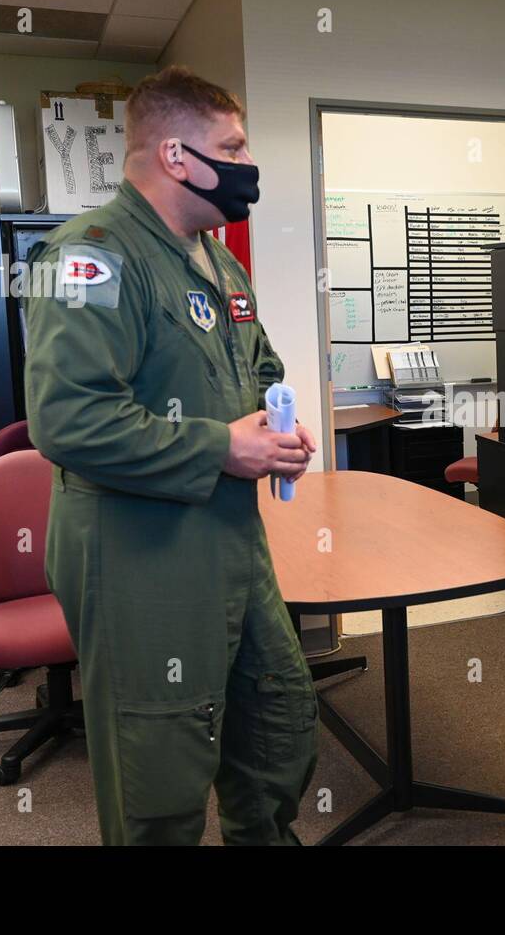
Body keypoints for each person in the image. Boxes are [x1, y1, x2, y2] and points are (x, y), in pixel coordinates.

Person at [25, 66, 319, 845]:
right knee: (159, 771)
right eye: (234, 145)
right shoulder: (90, 257)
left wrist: (275, 426)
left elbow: (258, 369)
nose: (248, 162)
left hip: (229, 538)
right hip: (137, 550)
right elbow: (69, 418)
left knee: (277, 723)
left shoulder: (217, 260)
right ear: (178, 156)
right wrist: (222, 445)